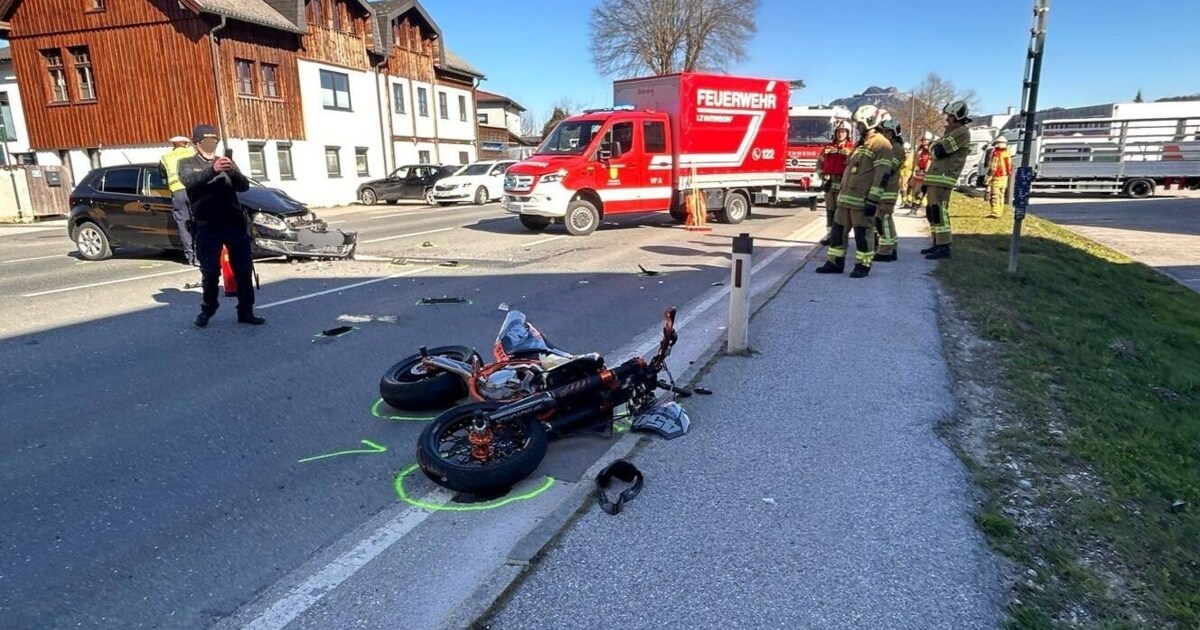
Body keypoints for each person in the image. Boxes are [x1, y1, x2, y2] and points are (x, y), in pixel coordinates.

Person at [178, 124, 264, 327]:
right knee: (210, 271)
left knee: (243, 269)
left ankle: (246, 311)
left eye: (214, 141)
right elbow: (189, 181)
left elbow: (243, 186)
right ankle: (208, 308)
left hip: (233, 223)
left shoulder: (224, 162)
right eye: (206, 142)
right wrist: (212, 170)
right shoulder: (187, 163)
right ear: (196, 144)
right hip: (207, 226)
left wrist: (232, 171)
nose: (211, 145)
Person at [815, 105, 894, 278]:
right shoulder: (862, 143)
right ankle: (834, 262)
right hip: (845, 200)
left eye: (859, 124)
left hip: (861, 201)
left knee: (862, 235)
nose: (857, 127)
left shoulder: (881, 144)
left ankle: (863, 265)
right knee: (837, 233)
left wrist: (873, 199)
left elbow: (882, 175)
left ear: (870, 122)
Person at [920, 101, 973, 260]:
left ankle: (944, 246)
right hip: (936, 178)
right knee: (932, 212)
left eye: (950, 116)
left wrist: (934, 146)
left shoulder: (962, 132)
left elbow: (938, 151)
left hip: (944, 178)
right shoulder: (951, 132)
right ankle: (937, 243)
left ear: (958, 116)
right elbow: (934, 150)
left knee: (939, 212)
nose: (947, 119)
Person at [815, 121, 854, 245]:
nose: (840, 134)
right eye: (838, 131)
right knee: (830, 211)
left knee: (842, 212)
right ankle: (830, 236)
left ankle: (842, 237)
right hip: (830, 184)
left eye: (843, 131)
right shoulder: (827, 148)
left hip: (843, 183)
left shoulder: (852, 148)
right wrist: (821, 175)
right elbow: (819, 163)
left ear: (847, 133)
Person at [159, 135, 196, 265]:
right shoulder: (192, 152)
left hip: (177, 192)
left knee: (183, 225)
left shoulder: (165, 158)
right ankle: (200, 255)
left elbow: (163, 178)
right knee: (197, 221)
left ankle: (190, 257)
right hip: (193, 190)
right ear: (185, 144)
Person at [874, 119, 906, 262]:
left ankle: (885, 251)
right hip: (885, 189)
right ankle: (891, 249)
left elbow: (888, 168)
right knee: (886, 219)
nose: (881, 135)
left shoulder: (896, 148)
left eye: (884, 132)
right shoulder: (890, 147)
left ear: (891, 134)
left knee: (883, 219)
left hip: (888, 190)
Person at [985, 136, 1013, 218]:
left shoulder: (996, 154)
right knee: (1001, 195)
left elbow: (993, 168)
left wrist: (987, 179)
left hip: (997, 177)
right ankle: (1000, 211)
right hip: (1005, 177)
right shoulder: (1007, 153)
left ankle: (995, 213)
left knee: (995, 196)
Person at [905, 132, 933, 213]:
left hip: (925, 172)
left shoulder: (930, 150)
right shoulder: (920, 149)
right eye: (923, 139)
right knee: (914, 189)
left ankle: (914, 208)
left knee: (919, 191)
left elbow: (929, 161)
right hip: (918, 171)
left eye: (926, 140)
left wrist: (927, 172)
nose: (924, 141)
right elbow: (917, 160)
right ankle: (914, 206)